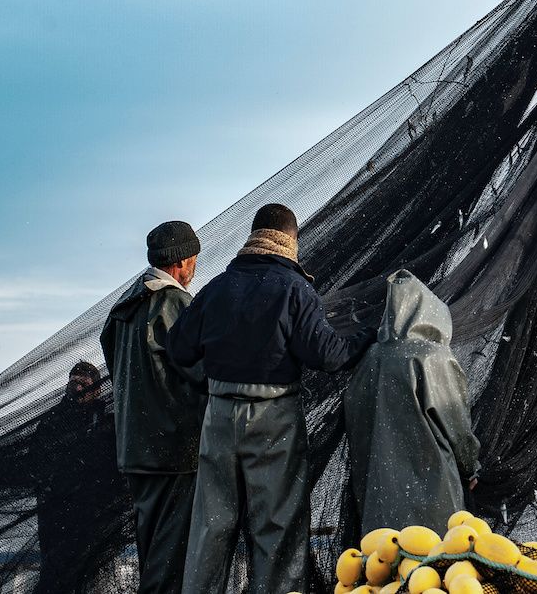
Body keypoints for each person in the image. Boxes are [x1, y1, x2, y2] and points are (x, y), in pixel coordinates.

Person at [167, 203, 374, 594]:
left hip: (219, 416)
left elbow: (178, 349)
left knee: (211, 524)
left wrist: (216, 380)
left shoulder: (217, 289)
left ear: (253, 237)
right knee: (277, 524)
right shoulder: (295, 288)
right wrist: (367, 336)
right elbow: (329, 356)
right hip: (273, 417)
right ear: (290, 241)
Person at [98, 220, 207, 594]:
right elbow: (200, 372)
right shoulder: (175, 303)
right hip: (175, 451)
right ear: (182, 262)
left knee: (152, 551)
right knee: (172, 559)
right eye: (195, 260)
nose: (195, 270)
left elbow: (117, 369)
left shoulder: (122, 309)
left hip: (135, 450)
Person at [344, 270, 480, 532]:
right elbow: (456, 422)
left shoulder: (369, 359)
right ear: (431, 312)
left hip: (378, 502)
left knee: (386, 568)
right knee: (439, 569)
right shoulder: (432, 357)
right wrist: (470, 467)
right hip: (435, 497)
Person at [33, 362, 127, 594]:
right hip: (58, 520)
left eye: (84, 384)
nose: (77, 388)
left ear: (96, 390)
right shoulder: (52, 422)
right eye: (73, 382)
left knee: (93, 580)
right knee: (56, 578)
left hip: (99, 520)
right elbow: (38, 465)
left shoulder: (108, 422)